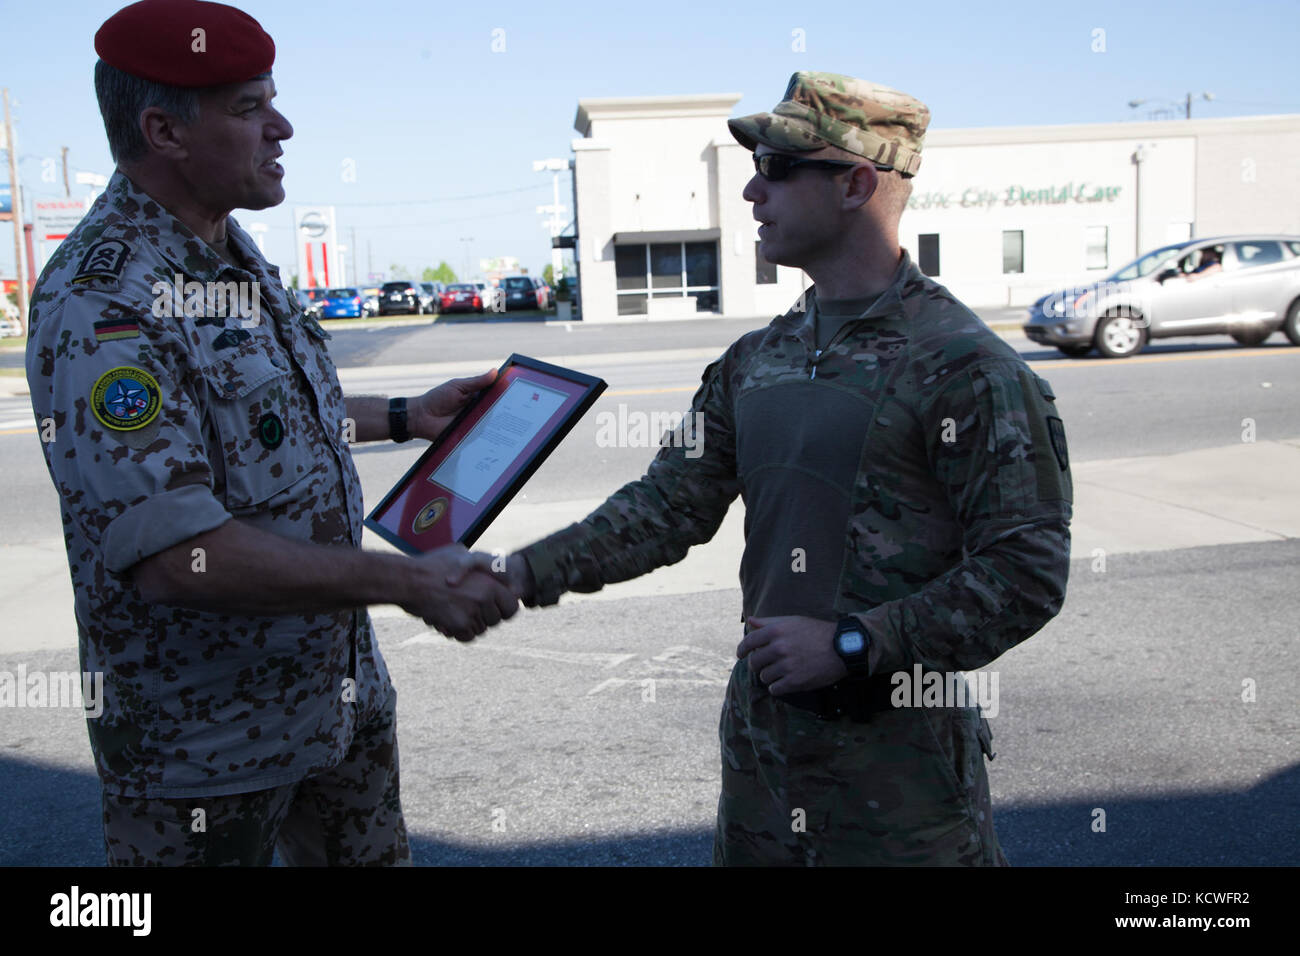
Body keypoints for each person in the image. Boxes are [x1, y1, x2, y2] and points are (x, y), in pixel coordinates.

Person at [490, 72, 1073, 865]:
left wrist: (856, 644)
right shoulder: (758, 360)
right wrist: (521, 572)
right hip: (766, 761)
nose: (752, 193)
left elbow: (1026, 570)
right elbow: (669, 508)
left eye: (775, 168)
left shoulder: (964, 367)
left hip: (900, 782)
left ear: (856, 185)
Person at [25, 0, 517, 866]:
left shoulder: (228, 249)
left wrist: (405, 417)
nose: (282, 127)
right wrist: (406, 583)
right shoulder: (104, 300)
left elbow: (262, 417)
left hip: (335, 701)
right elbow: (179, 557)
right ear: (163, 132)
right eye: (250, 108)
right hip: (206, 748)